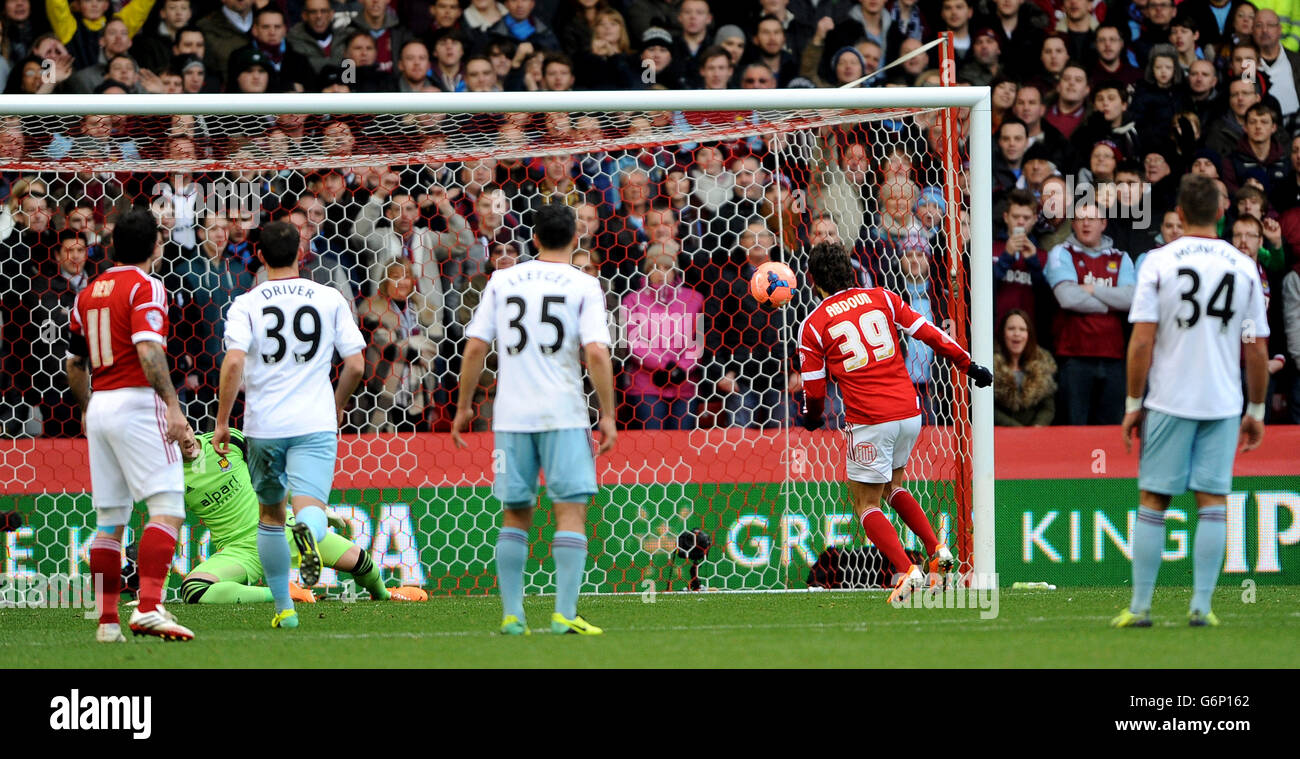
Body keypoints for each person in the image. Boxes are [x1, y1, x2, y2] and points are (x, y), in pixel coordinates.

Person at [451, 202, 616, 636]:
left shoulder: (502, 280)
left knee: (515, 514)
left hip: (511, 416)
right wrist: (609, 415)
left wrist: (465, 405)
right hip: (564, 413)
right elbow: (596, 352)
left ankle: (512, 615)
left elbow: (474, 347)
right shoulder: (585, 284)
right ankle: (563, 612)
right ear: (575, 238)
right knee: (570, 513)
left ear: (535, 239)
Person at [1114, 174, 1270, 629]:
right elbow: (1256, 346)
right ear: (1221, 213)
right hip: (1222, 401)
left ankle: (1141, 607)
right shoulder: (1244, 267)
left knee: (1154, 499)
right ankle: (1201, 606)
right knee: (1213, 501)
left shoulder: (1159, 261)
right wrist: (1256, 410)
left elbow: (1142, 340)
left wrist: (1132, 402)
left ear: (1179, 214)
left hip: (1168, 398)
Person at [797, 242, 992, 603]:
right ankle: (938, 551)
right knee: (894, 485)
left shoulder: (814, 324)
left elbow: (814, 389)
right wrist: (970, 365)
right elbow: (930, 333)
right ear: (851, 271)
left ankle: (908, 571)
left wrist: (811, 418)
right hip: (910, 413)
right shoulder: (882, 297)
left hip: (870, 420)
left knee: (865, 503)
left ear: (813, 281)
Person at [214, 220, 367, 630]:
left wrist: (223, 420)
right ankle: (308, 531)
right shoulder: (329, 297)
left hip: (264, 426)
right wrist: (337, 405)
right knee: (311, 510)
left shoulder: (246, 303)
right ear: (302, 251)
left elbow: (233, 361)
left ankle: (285, 609)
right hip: (314, 423)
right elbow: (355, 363)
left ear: (259, 256)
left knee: (269, 515)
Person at [64, 208, 193, 642]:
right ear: (156, 246)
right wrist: (173, 408)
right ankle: (151, 607)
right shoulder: (146, 286)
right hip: (138, 401)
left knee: (110, 520)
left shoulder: (88, 293)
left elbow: (74, 364)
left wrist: (88, 408)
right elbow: (149, 351)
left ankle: (106, 622)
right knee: (169, 507)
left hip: (100, 404)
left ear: (114, 246)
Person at [176, 425, 427, 604]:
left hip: (281, 527)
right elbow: (168, 527)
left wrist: (310, 510)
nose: (186, 438)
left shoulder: (228, 443)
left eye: (186, 429)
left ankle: (384, 594)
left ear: (189, 424)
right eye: (176, 437)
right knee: (193, 589)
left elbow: (274, 476)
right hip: (238, 549)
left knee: (361, 562)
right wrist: (157, 592)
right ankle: (281, 592)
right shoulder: (172, 475)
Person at [993, 309, 1057, 426]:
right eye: (1011, 329)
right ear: (1002, 333)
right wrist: (1017, 429)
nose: (1017, 333)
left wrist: (1036, 428)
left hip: (1035, 438)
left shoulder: (1043, 365)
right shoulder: (989, 366)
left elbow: (1048, 408)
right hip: (999, 436)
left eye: (1022, 329)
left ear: (1029, 334)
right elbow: (988, 408)